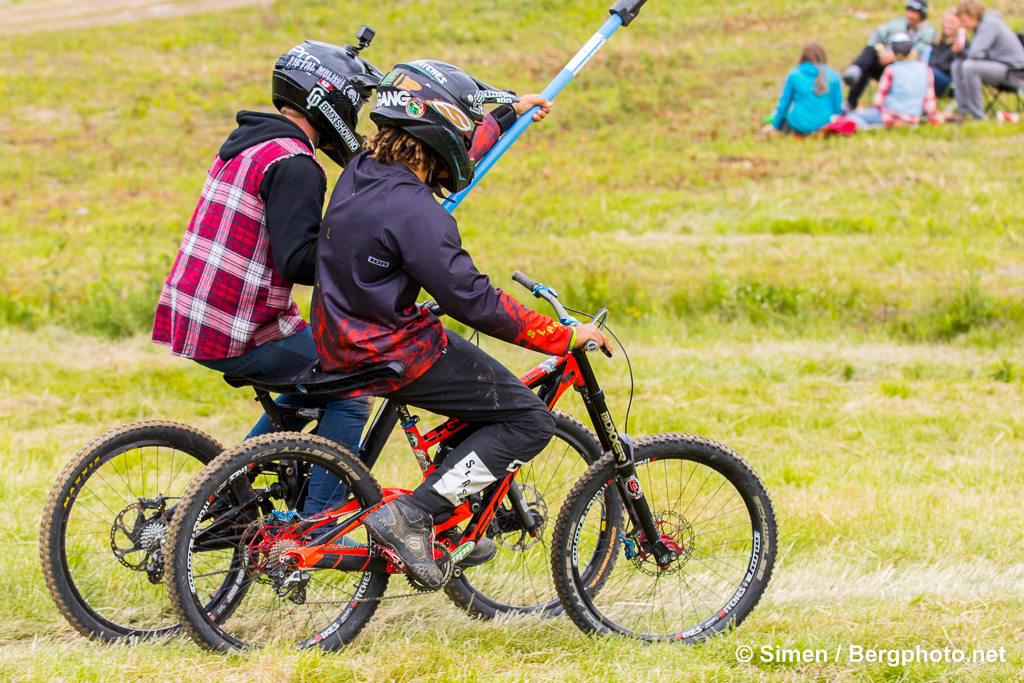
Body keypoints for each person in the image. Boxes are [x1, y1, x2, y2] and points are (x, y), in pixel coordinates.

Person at [152, 40, 552, 517]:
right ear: (330, 98)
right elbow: (300, 259)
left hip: (197, 313)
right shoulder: (299, 164)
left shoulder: (270, 146)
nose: (358, 111)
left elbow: (432, 133)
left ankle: (228, 492)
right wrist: (370, 240)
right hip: (242, 325)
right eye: (354, 99)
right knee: (346, 389)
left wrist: (506, 114)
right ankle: (315, 519)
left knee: (312, 384)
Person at [310, 60, 612, 589]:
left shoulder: (361, 169)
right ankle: (415, 515)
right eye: (464, 125)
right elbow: (474, 302)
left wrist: (504, 114)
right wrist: (562, 335)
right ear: (439, 128)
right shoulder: (415, 211)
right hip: (392, 349)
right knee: (529, 422)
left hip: (342, 334)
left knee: (481, 394)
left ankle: (449, 513)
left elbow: (452, 144)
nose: (468, 137)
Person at [843, 0, 937, 112]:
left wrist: (896, 56)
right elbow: (878, 34)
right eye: (908, 11)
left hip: (906, 71)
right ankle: (852, 88)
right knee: (869, 54)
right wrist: (881, 52)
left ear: (922, 14)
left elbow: (920, 53)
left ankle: (886, 108)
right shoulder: (898, 23)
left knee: (874, 60)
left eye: (914, 12)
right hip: (886, 64)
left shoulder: (928, 32)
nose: (910, 15)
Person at [847, 33, 940, 129]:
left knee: (853, 116)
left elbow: (878, 102)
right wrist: (933, 118)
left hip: (889, 117)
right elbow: (930, 102)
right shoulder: (926, 69)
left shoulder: (891, 69)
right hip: (913, 119)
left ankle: (869, 128)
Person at [952, 0, 1024, 120]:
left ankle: (978, 117)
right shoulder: (981, 27)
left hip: (1014, 73)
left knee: (970, 67)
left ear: (974, 17)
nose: (963, 25)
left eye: (964, 20)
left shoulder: (989, 25)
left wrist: (963, 49)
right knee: (957, 65)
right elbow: (979, 55)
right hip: (1000, 68)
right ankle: (964, 112)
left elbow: (975, 54)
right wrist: (961, 52)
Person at [763, 42, 842, 136]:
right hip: (823, 126)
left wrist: (776, 127)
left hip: (797, 127)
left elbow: (783, 106)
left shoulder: (794, 74)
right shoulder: (834, 76)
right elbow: (837, 109)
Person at [930, 8, 967, 96]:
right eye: (947, 22)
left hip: (949, 81)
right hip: (933, 74)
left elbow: (954, 68)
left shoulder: (960, 44)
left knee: (928, 71)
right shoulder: (936, 41)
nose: (949, 26)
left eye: (953, 23)